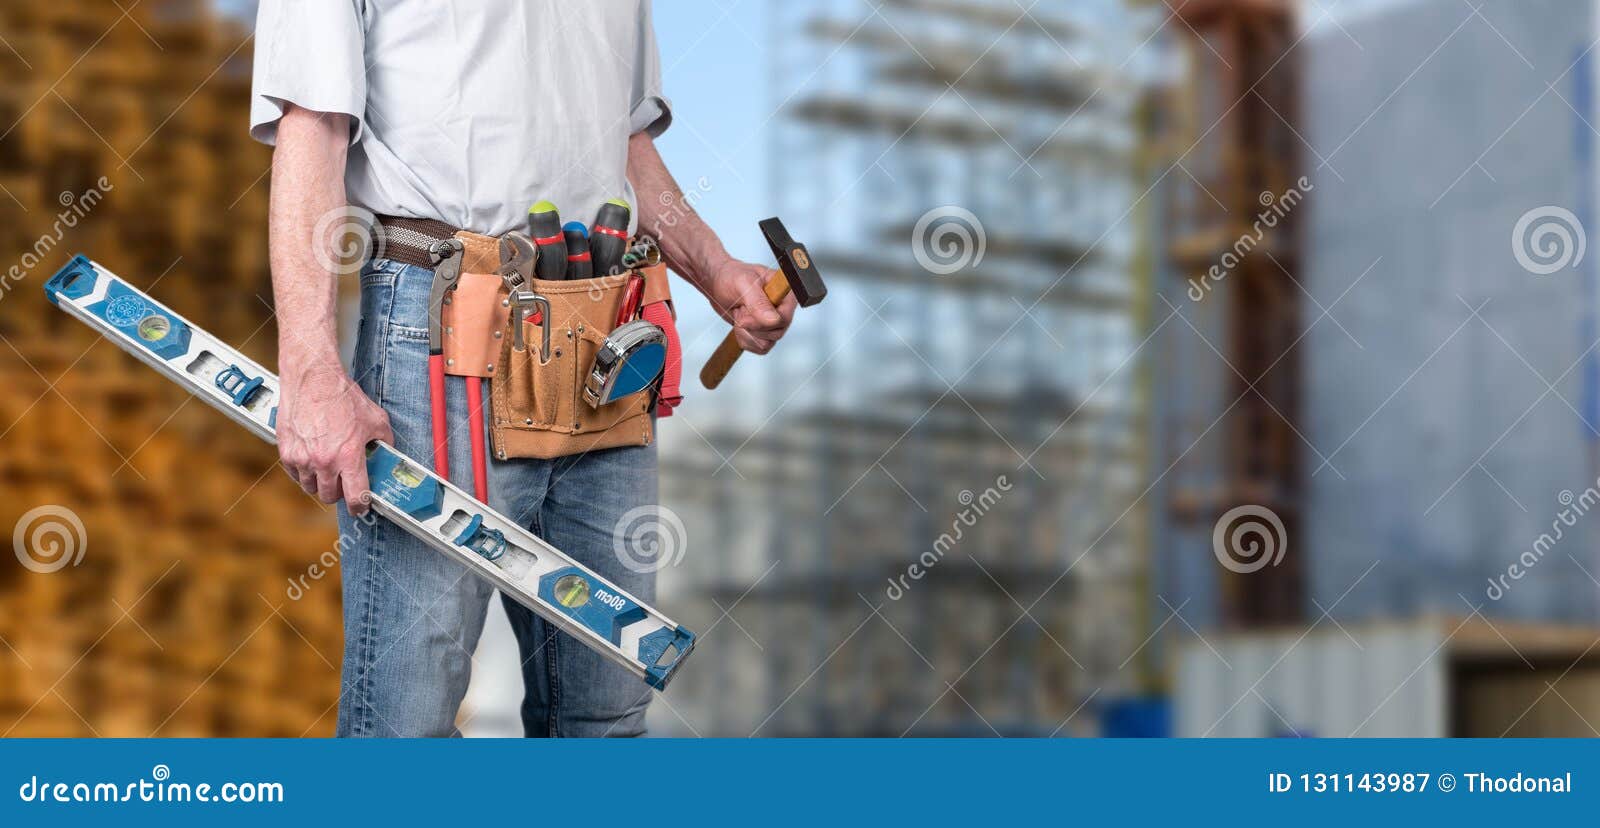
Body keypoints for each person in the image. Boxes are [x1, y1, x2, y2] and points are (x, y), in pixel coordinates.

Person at [249, 0, 794, 737]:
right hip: (441, 328)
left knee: (605, 716)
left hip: (604, 332)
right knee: (408, 722)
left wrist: (715, 267)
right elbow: (311, 125)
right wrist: (310, 371)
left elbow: (623, 142)